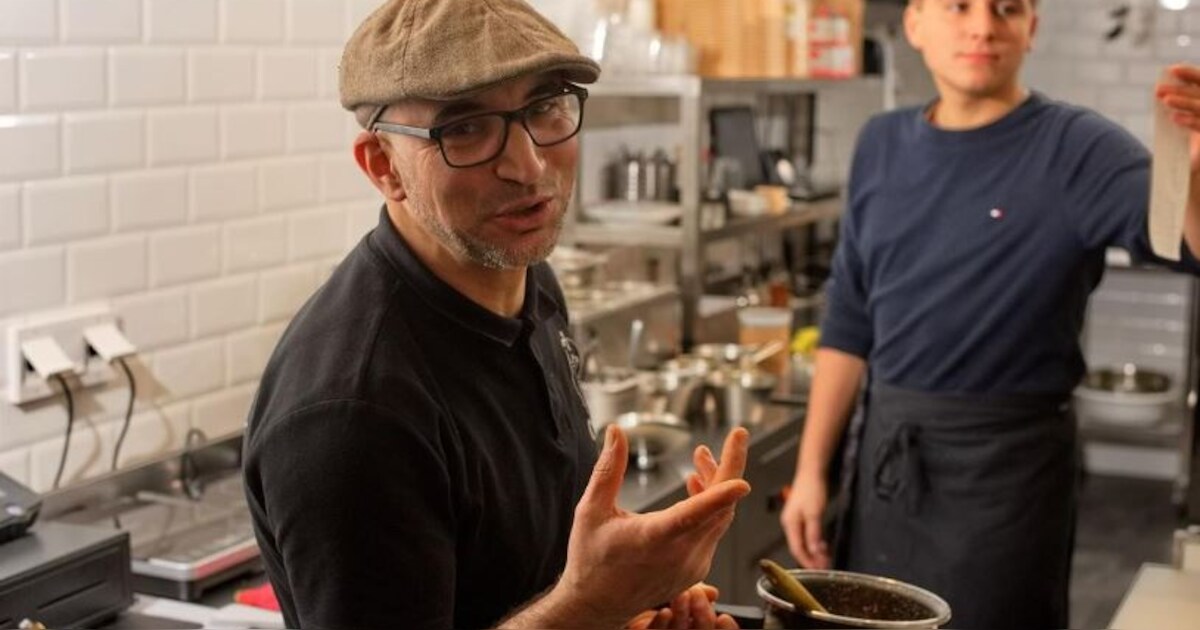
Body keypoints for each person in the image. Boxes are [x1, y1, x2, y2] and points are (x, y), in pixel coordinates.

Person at [242, 0, 752, 628]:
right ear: (383, 166)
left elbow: (532, 571)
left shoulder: (527, 280)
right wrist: (593, 604)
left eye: (545, 106)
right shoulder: (354, 413)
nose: (529, 165)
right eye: (464, 128)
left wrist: (630, 600)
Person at [779, 0, 1200, 628]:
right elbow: (849, 317)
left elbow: (1187, 242)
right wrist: (812, 471)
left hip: (1007, 478)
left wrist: (1195, 176)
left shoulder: (1077, 148)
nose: (982, 26)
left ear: (1031, 27)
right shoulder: (880, 143)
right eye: (959, 7)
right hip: (889, 464)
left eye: (1007, 8)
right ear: (915, 24)